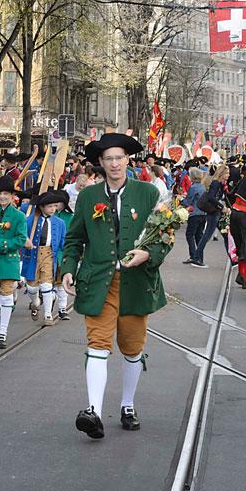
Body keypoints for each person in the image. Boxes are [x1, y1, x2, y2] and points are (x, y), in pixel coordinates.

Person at [61, 132, 169, 439]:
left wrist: (149, 253)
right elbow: (73, 239)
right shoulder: (88, 196)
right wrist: (68, 269)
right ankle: (93, 411)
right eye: (108, 159)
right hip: (98, 281)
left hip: (136, 282)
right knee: (97, 343)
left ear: (128, 160)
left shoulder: (148, 193)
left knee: (133, 349)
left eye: (119, 158)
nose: (114, 164)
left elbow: (166, 233)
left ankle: (127, 404)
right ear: (100, 163)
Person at [0, 175, 29, 349]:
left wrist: (0, 243)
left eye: (5, 194)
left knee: (7, 296)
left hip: (9, 260)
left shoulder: (18, 216)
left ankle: (3, 333)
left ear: (12, 196)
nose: (2, 197)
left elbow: (21, 239)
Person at [22, 190, 70, 326]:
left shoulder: (59, 223)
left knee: (47, 284)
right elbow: (23, 239)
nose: (53, 209)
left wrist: (69, 253)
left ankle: (48, 314)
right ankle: (36, 302)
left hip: (49, 254)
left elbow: (62, 242)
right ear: (42, 207)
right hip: (33, 255)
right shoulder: (30, 220)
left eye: (55, 206)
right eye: (50, 206)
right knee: (32, 287)